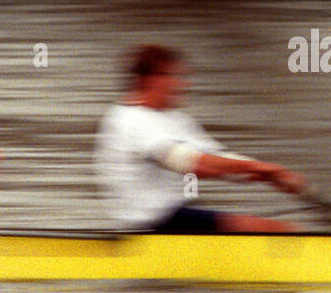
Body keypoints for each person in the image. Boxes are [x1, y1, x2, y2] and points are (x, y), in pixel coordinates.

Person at [95, 45, 307, 233]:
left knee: (274, 228)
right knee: (277, 231)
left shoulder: (177, 118)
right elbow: (192, 164)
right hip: (148, 223)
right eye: (175, 77)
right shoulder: (129, 120)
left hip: (175, 216)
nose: (183, 85)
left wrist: (270, 177)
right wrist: (262, 168)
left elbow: (217, 157)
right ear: (151, 79)